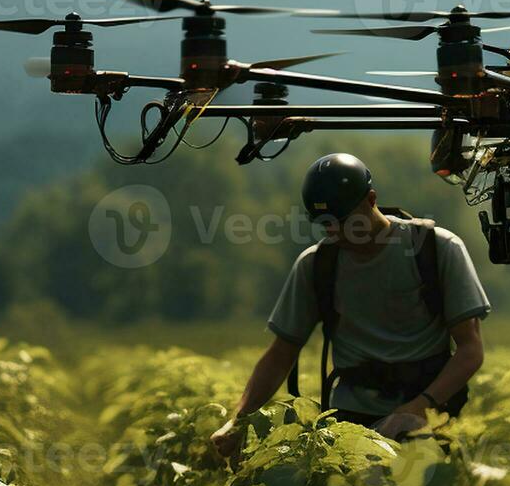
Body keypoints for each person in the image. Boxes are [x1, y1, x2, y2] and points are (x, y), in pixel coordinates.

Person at [209, 153, 490, 459]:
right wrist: (238, 421)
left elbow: (470, 350)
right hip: (349, 422)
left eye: (343, 221)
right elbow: (281, 354)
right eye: (325, 225)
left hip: (430, 411)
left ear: (371, 200)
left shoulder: (437, 249)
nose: (336, 232)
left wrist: (417, 409)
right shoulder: (316, 265)